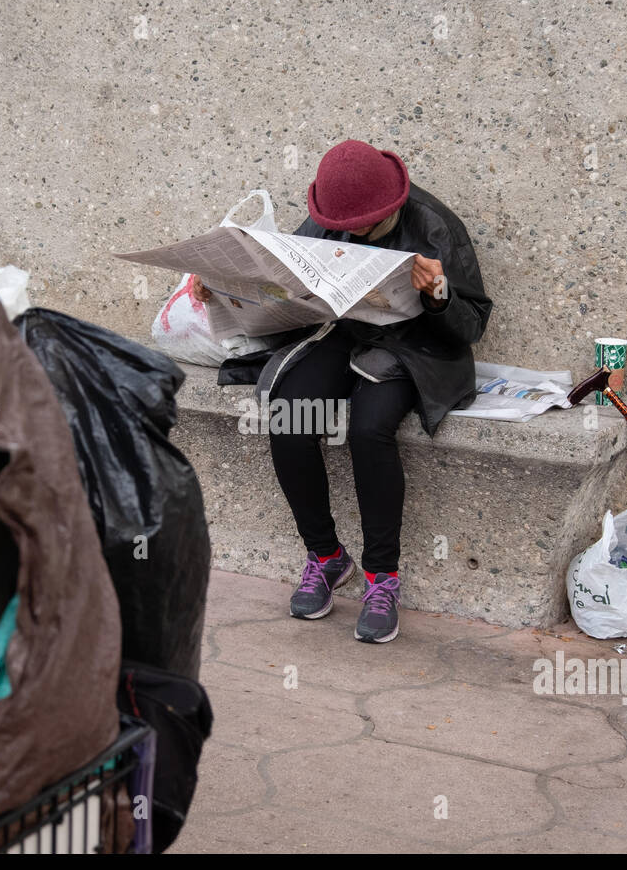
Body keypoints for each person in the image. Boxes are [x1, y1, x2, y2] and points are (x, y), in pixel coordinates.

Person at [194, 140, 493, 644]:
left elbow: (471, 327)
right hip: (341, 332)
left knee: (369, 427)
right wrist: (225, 291)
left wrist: (438, 295)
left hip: (412, 347)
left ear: (392, 206)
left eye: (365, 227)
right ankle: (327, 557)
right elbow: (287, 290)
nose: (351, 232)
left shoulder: (435, 225)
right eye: (342, 225)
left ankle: (382, 578)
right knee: (289, 415)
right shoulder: (326, 218)